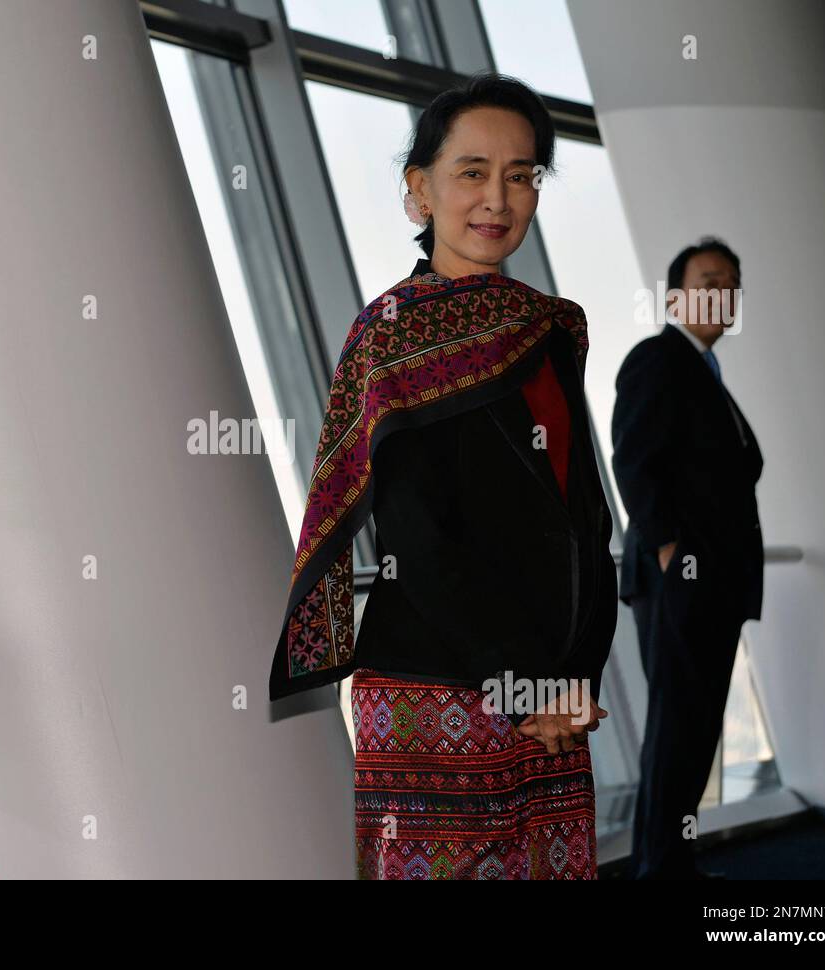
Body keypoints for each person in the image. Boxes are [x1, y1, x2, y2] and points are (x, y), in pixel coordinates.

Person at [269, 73, 618, 879]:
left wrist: (575, 676)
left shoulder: (552, 328)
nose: (499, 197)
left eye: (523, 175)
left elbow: (584, 515)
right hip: (436, 686)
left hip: (553, 694)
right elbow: (420, 543)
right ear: (418, 191)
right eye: (472, 172)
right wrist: (526, 686)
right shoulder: (389, 336)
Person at [611, 238, 764, 879]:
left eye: (731, 282)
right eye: (708, 280)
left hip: (715, 584)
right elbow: (633, 460)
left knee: (697, 732)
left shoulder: (706, 374)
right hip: (681, 582)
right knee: (677, 731)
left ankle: (672, 862)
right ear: (675, 296)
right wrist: (673, 552)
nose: (722, 292)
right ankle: (657, 869)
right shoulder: (659, 358)